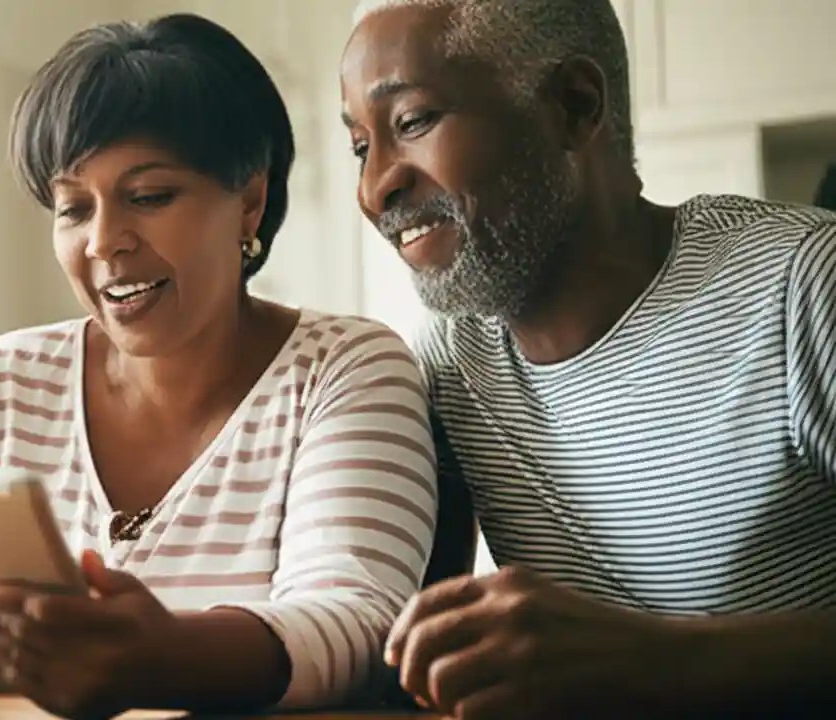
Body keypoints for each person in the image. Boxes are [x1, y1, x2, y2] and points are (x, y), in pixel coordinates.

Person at [0, 13, 439, 717]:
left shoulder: (347, 370)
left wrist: (165, 658)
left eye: (150, 197)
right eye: (73, 208)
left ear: (249, 203)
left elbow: (359, 623)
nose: (104, 242)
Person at [340, 0, 836, 718]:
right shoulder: (451, 364)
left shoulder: (801, 285)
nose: (374, 186)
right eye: (361, 145)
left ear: (575, 106)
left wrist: (660, 662)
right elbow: (410, 666)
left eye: (412, 122)